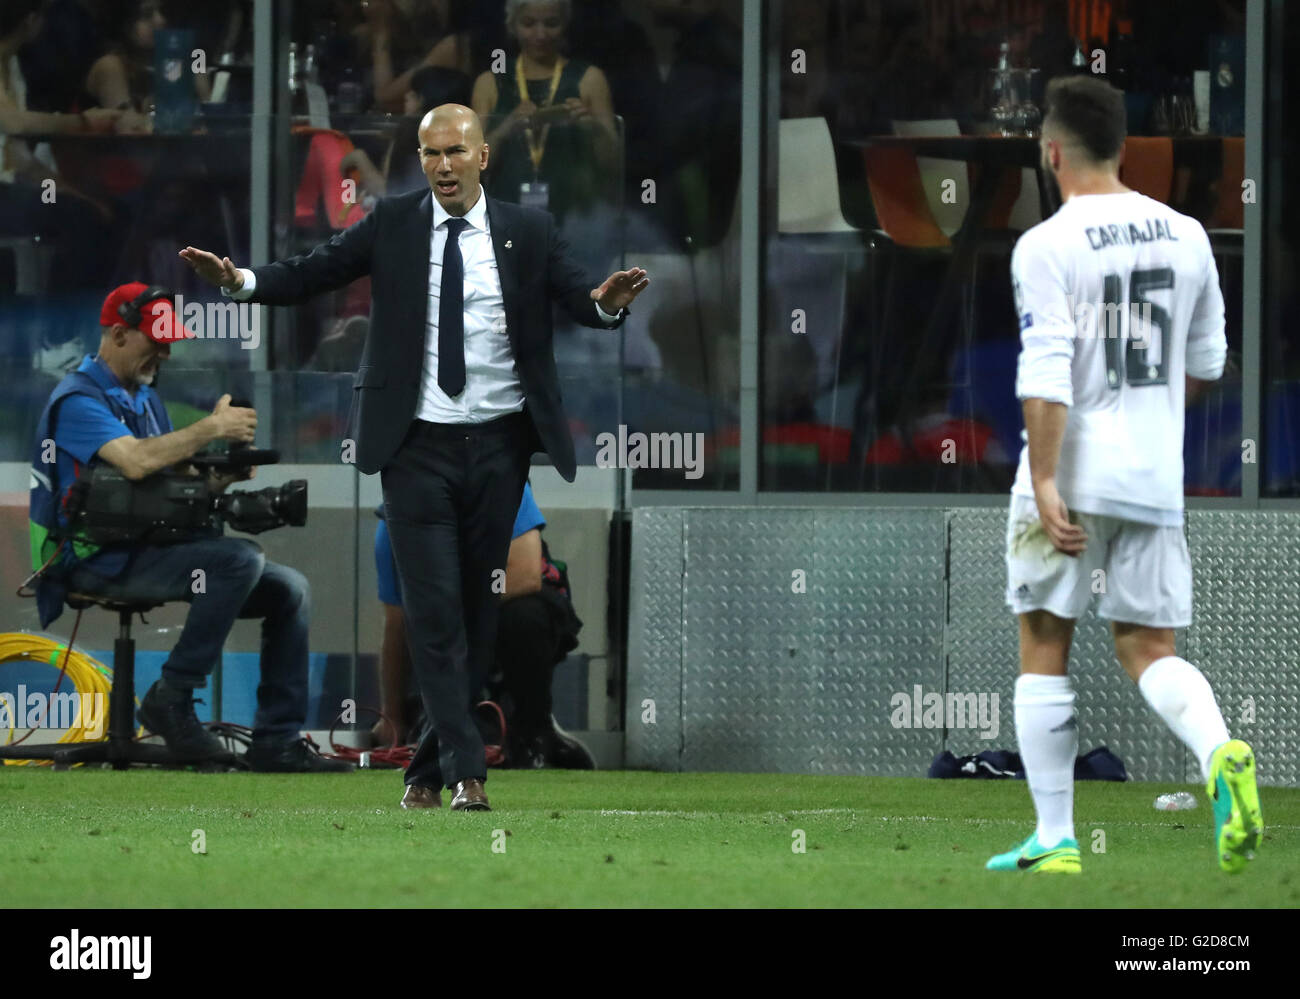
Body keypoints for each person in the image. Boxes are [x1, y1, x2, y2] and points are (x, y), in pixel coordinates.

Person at [179, 103, 648, 811]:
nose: (443, 165)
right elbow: (314, 270)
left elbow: (580, 298)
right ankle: (468, 772)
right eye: (430, 154)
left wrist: (607, 305)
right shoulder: (394, 222)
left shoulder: (527, 229)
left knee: (477, 614)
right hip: (415, 446)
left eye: (455, 151)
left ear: (483, 156)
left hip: (498, 445)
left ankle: (426, 769)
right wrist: (240, 282)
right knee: (432, 611)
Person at [990, 75, 1261, 876]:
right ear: (1124, 147)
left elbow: (1045, 373)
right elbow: (1209, 361)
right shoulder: (1186, 233)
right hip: (1153, 478)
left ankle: (1056, 838)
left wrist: (1045, 479)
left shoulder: (1044, 244)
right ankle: (1218, 754)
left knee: (1043, 643)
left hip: (1071, 473)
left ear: (1050, 150)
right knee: (1148, 646)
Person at [27, 283, 353, 773]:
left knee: (291, 588)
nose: (166, 350)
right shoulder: (77, 399)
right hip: (91, 558)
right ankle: (172, 697)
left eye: (169, 339)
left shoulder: (142, 397)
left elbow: (166, 479)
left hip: (145, 546)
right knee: (236, 559)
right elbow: (136, 463)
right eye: (154, 339)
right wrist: (211, 429)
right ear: (117, 334)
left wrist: (221, 473)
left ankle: (276, 741)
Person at [373, 481, 594, 775]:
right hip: (442, 631)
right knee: (425, 619)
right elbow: (397, 624)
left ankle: (534, 732)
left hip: (506, 609)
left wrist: (459, 608)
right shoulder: (394, 517)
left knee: (525, 616)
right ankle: (436, 726)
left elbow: (527, 575)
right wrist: (393, 717)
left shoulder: (501, 480)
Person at [471, 0, 618, 231]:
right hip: (505, 217)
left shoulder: (590, 78)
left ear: (565, 24)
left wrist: (592, 128)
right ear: (513, 25)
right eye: (529, 23)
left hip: (576, 219)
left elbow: (613, 165)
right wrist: (507, 126)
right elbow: (472, 166)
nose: (540, 34)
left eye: (551, 24)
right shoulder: (490, 82)